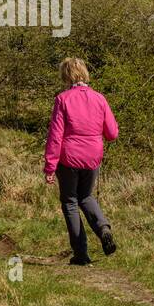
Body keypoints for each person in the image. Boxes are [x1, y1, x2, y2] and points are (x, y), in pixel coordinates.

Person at [43, 57, 119, 265]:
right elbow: (112, 133)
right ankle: (103, 227)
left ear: (65, 76)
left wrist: (50, 166)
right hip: (93, 157)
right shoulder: (100, 99)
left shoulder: (63, 99)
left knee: (70, 202)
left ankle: (81, 254)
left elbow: (55, 136)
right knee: (86, 196)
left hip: (68, 158)